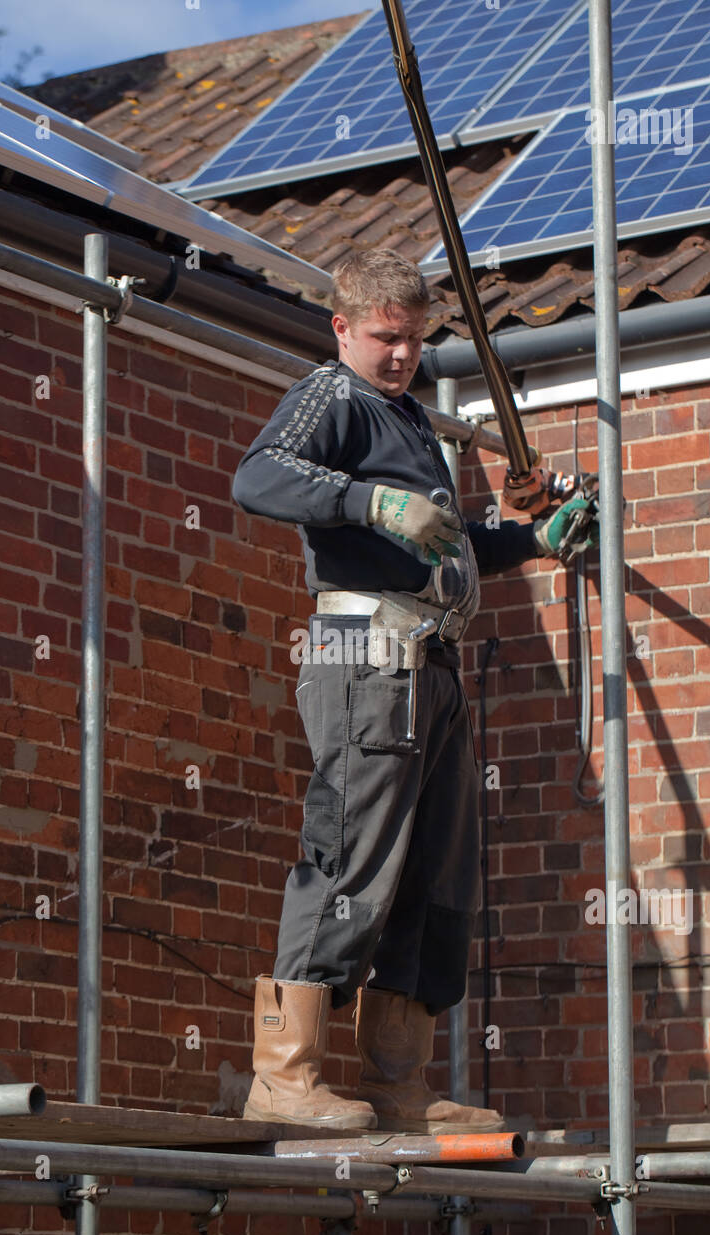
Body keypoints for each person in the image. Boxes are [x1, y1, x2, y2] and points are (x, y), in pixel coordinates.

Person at [231, 249, 593, 1133]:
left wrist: (531, 536)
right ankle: (284, 1074)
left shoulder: (409, 420)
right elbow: (258, 475)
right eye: (386, 338)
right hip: (366, 658)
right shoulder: (335, 396)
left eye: (414, 340)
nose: (401, 355)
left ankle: (395, 1081)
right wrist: (373, 506)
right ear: (343, 328)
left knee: (437, 867)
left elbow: (450, 545)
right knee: (353, 855)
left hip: (429, 666)